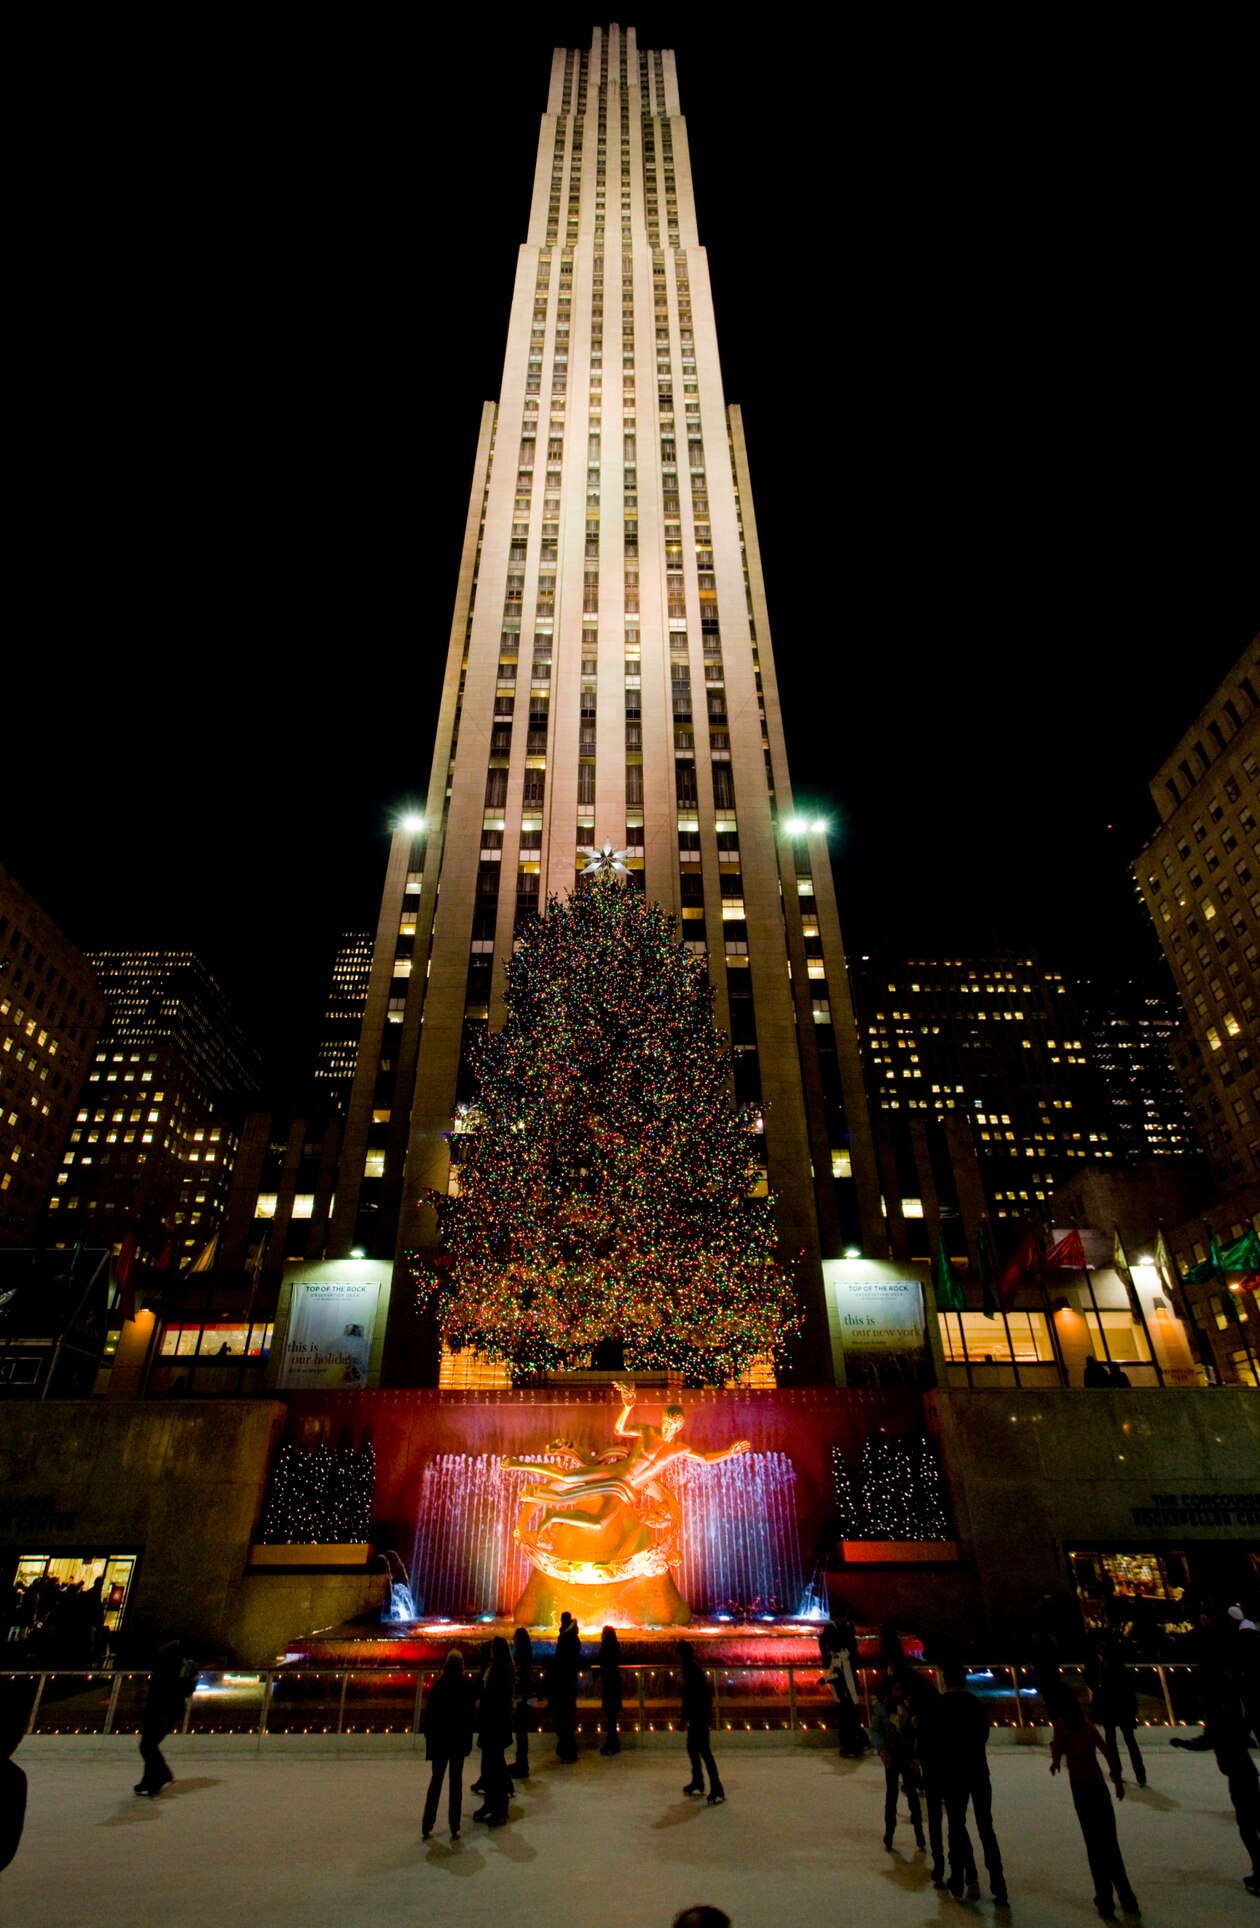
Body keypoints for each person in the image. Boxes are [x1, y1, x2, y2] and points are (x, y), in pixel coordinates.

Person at [1050, 1692, 1139, 1919]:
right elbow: (1107, 1753)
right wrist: (1117, 1781)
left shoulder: (1061, 1726)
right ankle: (1127, 1897)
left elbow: (1058, 1746)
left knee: (1094, 1845)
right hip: (1099, 1788)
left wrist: (1055, 1760)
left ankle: (1105, 1899)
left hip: (1081, 1790)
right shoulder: (1089, 1729)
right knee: (1110, 1843)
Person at [929, 1662, 1007, 1906]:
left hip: (954, 1774)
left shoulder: (942, 1704)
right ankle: (998, 1883)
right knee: (986, 1826)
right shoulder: (974, 1702)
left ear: (947, 1680)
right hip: (978, 1771)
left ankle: (959, 1878)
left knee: (956, 1824)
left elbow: (937, 1740)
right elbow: (984, 1734)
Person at [1202, 1677, 1260, 1897]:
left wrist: (1182, 1743)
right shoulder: (1229, 1714)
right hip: (1246, 1773)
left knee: (1247, 1825)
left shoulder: (1216, 1717)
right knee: (1253, 1820)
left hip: (1239, 1776)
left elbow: (1207, 1741)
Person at [420, 1649, 476, 1840]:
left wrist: (430, 1737)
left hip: (440, 1742)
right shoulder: (466, 1686)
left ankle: (427, 1823)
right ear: (461, 1666)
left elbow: (429, 1715)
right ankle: (454, 1825)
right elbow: (471, 1716)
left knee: (436, 1781)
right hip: (458, 1742)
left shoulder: (439, 1686)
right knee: (456, 1783)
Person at [870, 1675, 925, 1853]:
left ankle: (919, 1832)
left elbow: (916, 1733)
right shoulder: (881, 1708)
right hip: (891, 1756)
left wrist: (917, 1756)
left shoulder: (908, 1707)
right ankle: (890, 1832)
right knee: (891, 1795)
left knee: (912, 1795)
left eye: (899, 1689)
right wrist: (881, 1750)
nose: (898, 1692)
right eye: (894, 1689)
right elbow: (875, 1730)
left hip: (907, 1755)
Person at [1085, 1635, 1146, 1787]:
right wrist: (1097, 1687)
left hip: (1119, 1704)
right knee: (1113, 1739)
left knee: (1127, 1739)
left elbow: (1122, 1682)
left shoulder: (1113, 1660)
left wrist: (1100, 1688)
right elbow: (1089, 1678)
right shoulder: (1097, 1661)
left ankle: (1138, 1773)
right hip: (1109, 1705)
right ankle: (1117, 1771)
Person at [135, 1635, 191, 1796]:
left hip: (163, 1708)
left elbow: (164, 1686)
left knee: (147, 1745)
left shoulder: (168, 1659)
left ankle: (158, 1777)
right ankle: (152, 1778)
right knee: (149, 1744)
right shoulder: (175, 1658)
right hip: (166, 1708)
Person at [473, 1635, 515, 1826]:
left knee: (495, 1766)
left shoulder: (502, 1670)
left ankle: (501, 1808)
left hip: (496, 1725)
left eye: (492, 1649)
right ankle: (490, 1803)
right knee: (488, 1765)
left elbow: (499, 1699)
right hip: (489, 1724)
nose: (490, 1652)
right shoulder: (493, 1667)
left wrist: (484, 1702)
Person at [679, 1639, 724, 1804]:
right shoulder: (692, 1667)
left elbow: (690, 1696)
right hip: (700, 1715)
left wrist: (684, 1718)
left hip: (699, 1716)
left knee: (704, 1751)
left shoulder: (690, 1669)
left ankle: (716, 1786)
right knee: (693, 1748)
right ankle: (698, 1780)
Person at [820, 1618, 868, 1756]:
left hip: (843, 1694)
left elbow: (836, 1675)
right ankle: (857, 1743)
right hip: (847, 1692)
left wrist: (824, 1679)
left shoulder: (839, 1659)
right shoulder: (843, 1657)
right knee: (851, 1717)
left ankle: (852, 1745)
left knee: (846, 1719)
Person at [550, 1611, 583, 1761]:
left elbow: (564, 1659)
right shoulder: (570, 1637)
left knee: (564, 1717)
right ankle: (568, 1748)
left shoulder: (568, 1638)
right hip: (568, 1681)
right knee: (566, 1717)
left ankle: (567, 1749)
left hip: (565, 1682)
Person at [508, 1626, 533, 1777]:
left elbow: (520, 1676)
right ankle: (521, 1762)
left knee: (521, 1729)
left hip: (524, 1695)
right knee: (521, 1729)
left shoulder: (520, 1655)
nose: (513, 1640)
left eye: (515, 1637)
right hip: (528, 1695)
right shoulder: (527, 1652)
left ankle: (522, 1764)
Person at [596, 1625, 624, 1755]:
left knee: (611, 1716)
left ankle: (611, 1742)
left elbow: (601, 1661)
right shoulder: (615, 1647)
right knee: (612, 1716)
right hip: (615, 1683)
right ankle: (614, 1742)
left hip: (609, 1685)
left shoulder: (606, 1648)